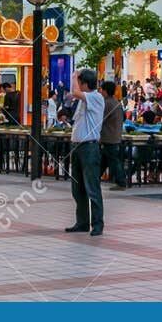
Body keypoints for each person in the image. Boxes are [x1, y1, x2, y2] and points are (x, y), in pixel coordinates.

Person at [65, 68, 105, 236]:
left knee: (92, 187)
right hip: (78, 147)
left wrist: (74, 75)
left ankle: (97, 224)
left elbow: (74, 92)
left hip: (89, 147)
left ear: (85, 84)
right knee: (77, 188)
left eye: (80, 82)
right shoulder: (84, 100)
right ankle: (82, 222)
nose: (77, 85)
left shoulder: (95, 97)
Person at [99, 81, 124, 190]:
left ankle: (121, 182)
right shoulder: (116, 102)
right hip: (115, 135)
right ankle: (94, 178)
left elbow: (100, 119)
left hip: (108, 136)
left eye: (101, 90)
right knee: (104, 160)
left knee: (113, 161)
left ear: (105, 91)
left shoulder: (106, 103)